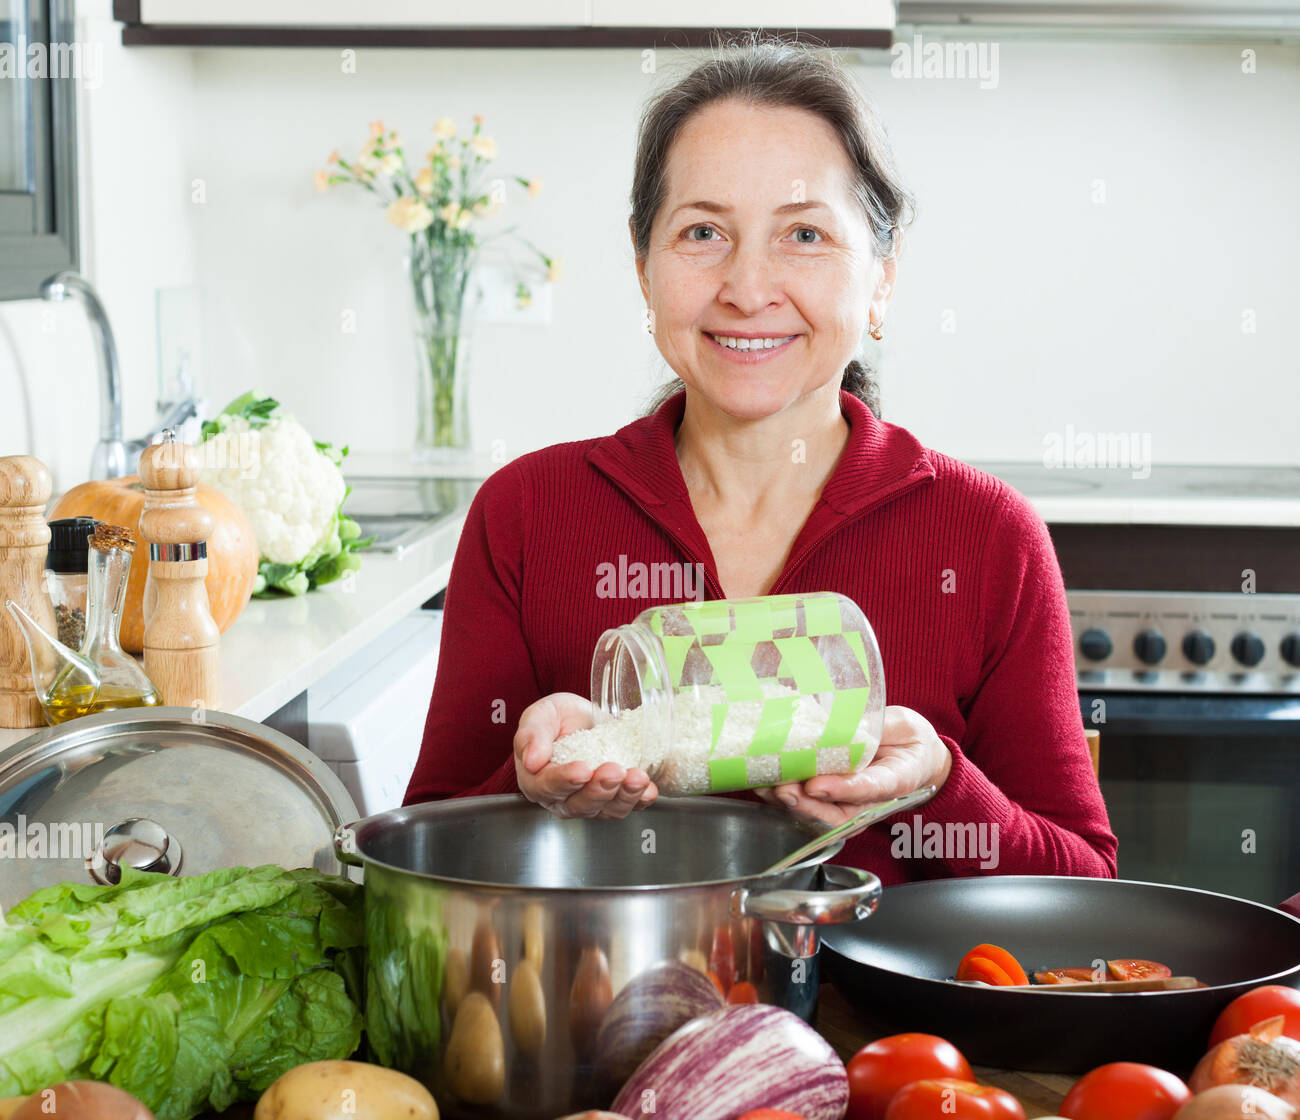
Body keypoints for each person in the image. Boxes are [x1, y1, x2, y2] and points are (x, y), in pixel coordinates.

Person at [405, 35, 1117, 884]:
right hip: (604, 1003)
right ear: (643, 267)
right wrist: (533, 785)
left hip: (879, 1021)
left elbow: (1081, 887)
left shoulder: (985, 535)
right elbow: (423, 851)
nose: (747, 286)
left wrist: (938, 783)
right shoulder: (528, 511)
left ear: (882, 278)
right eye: (703, 231)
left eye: (804, 235)